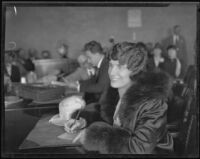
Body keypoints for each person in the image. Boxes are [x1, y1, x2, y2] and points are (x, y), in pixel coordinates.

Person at [64, 42, 174, 154]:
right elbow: (108, 120)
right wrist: (84, 121)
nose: (112, 72)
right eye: (111, 65)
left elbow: (140, 148)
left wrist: (96, 138)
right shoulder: (116, 92)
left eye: (120, 67)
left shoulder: (152, 102)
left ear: (134, 70)